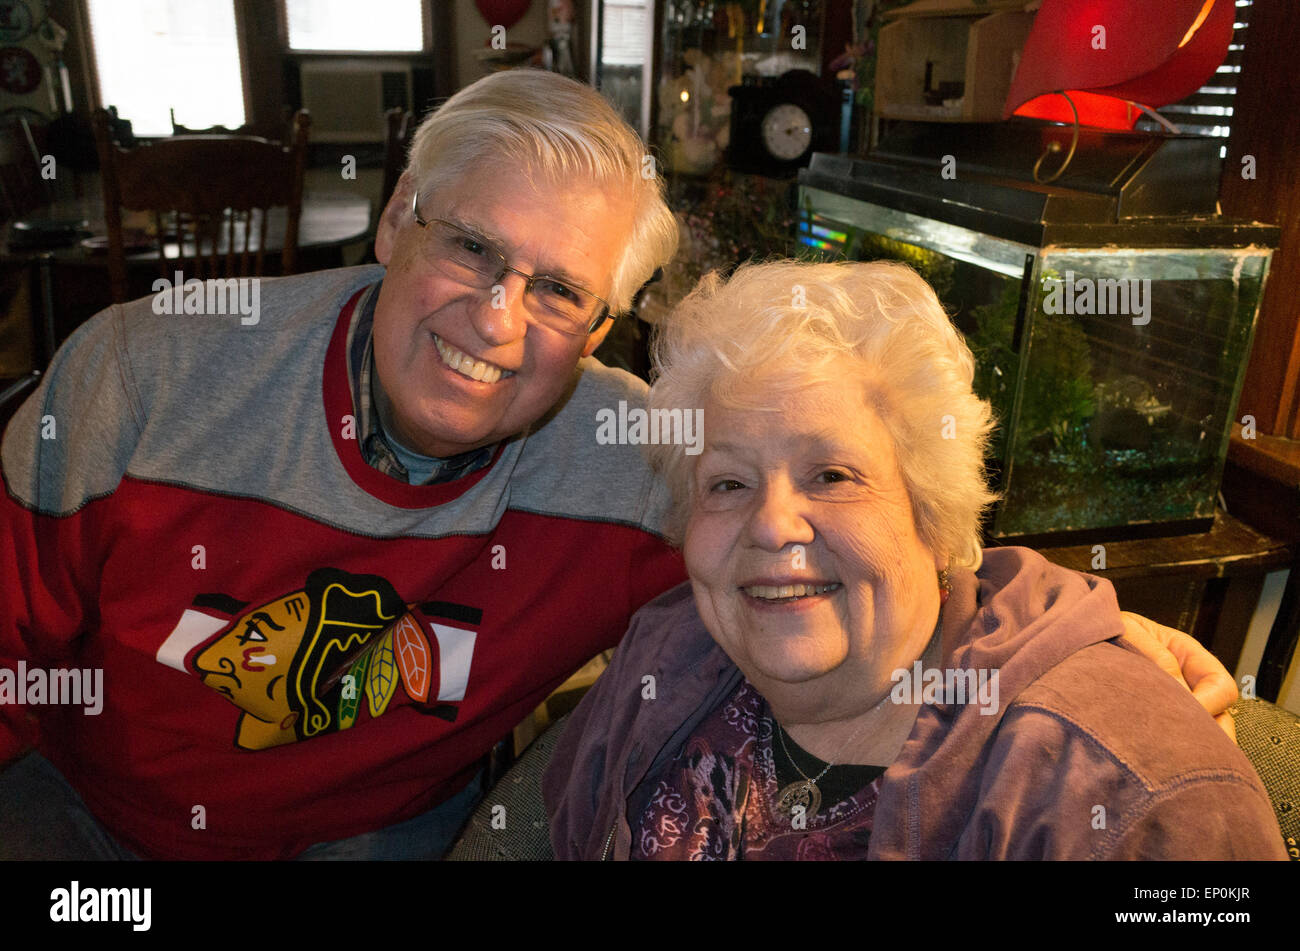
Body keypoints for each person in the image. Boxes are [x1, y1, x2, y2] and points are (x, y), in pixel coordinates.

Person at [0, 70, 1235, 861]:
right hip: (99, 833)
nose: (495, 320)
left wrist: (1085, 632)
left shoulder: (641, 453)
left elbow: (868, 535)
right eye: (470, 248)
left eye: (558, 291)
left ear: (599, 329)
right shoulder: (143, 377)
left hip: (384, 843)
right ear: (393, 220)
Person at [543, 260, 1286, 860]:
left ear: (933, 512)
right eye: (728, 483)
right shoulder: (669, 652)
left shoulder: (1122, 798)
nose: (771, 525)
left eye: (831, 475)